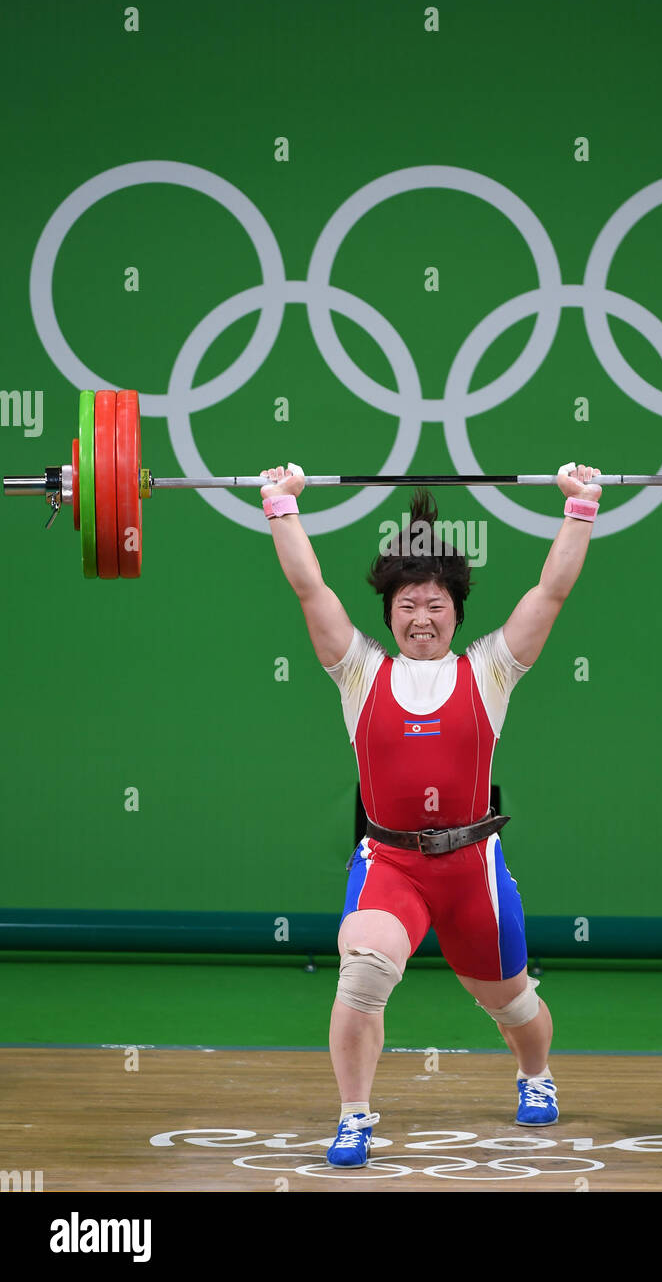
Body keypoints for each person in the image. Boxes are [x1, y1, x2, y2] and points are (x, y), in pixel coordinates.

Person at [259, 459, 602, 1168]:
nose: (421, 615)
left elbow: (551, 590)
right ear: (389, 614)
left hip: (472, 867)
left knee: (512, 1007)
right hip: (391, 863)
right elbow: (309, 587)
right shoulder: (359, 671)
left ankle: (535, 1075)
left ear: (455, 612)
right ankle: (355, 1115)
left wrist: (580, 508)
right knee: (363, 972)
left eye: (435, 604)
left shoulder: (490, 671)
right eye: (408, 604)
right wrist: (281, 506)